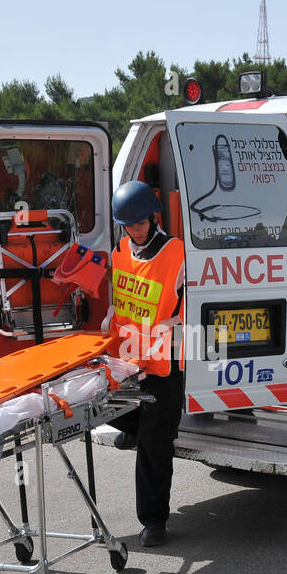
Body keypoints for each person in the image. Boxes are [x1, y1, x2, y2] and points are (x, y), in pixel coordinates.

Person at [103, 180, 186, 547]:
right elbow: (118, 298)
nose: (135, 230)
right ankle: (139, 426)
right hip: (125, 359)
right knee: (99, 408)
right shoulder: (119, 250)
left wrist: (164, 330)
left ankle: (154, 520)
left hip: (162, 363)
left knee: (156, 443)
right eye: (128, 225)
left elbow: (187, 310)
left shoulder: (176, 253)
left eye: (140, 223)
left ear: (153, 217)